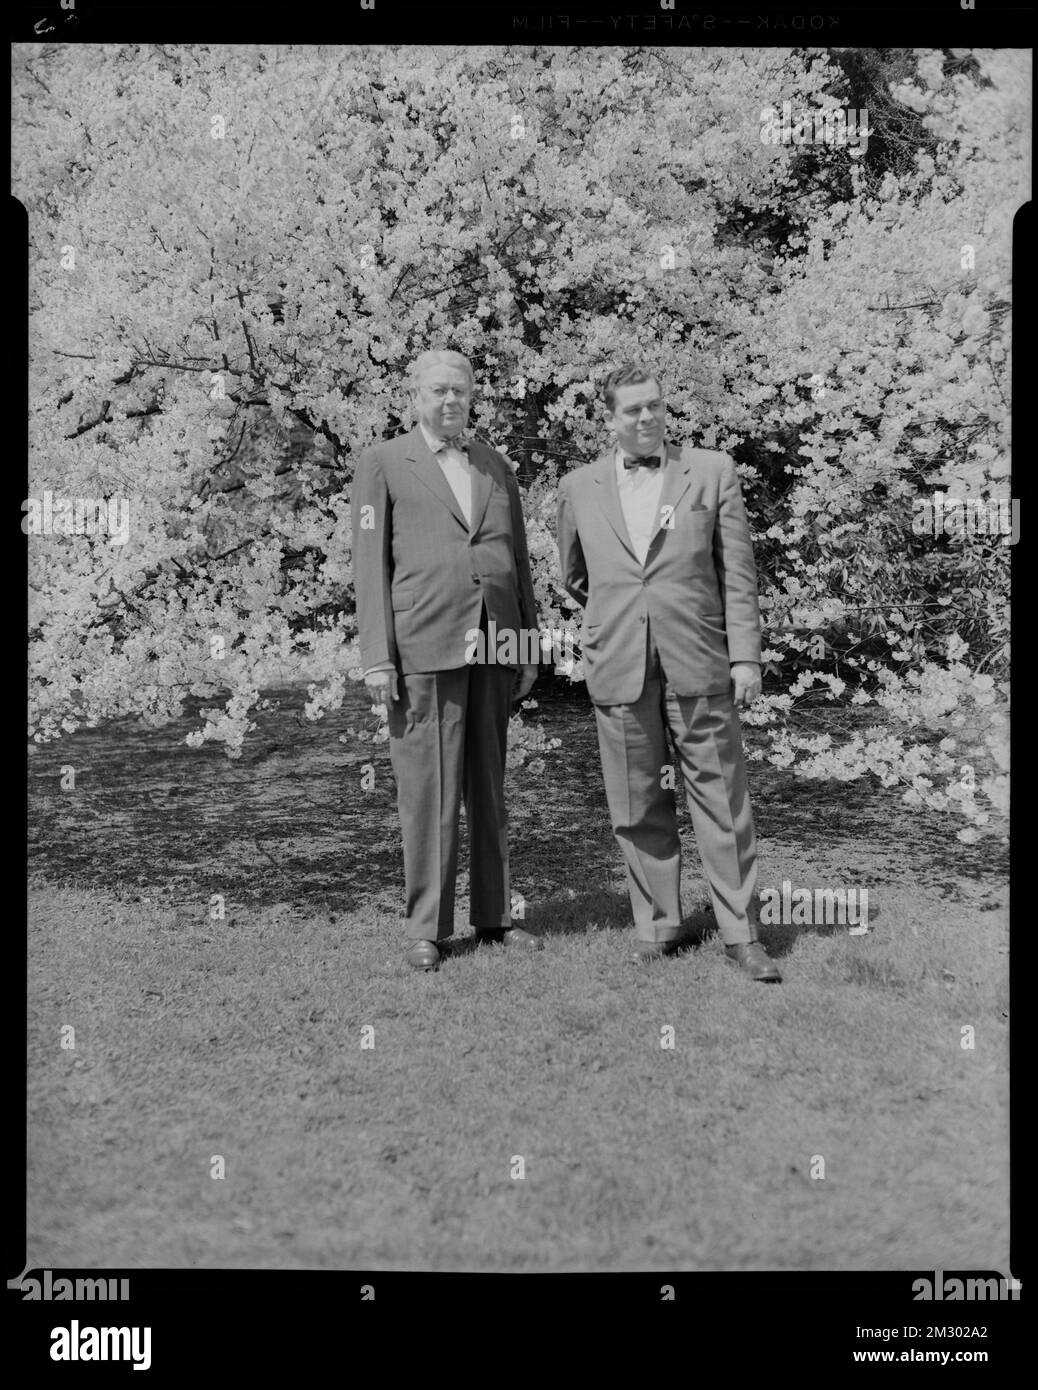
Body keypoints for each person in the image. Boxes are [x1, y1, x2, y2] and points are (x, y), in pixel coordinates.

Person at [556, 364, 781, 980]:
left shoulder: (710, 473)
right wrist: (624, 616)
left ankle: (741, 932)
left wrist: (744, 656)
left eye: (654, 405)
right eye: (633, 410)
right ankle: (659, 924)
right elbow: (576, 576)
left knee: (722, 799)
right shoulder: (579, 487)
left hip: (701, 659)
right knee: (636, 800)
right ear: (609, 420)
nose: (648, 417)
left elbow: (737, 573)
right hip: (619, 663)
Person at [351, 349, 542, 971]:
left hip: (495, 643)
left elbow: (517, 560)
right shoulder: (381, 464)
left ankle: (494, 917)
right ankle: (427, 929)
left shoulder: (494, 464)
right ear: (414, 396)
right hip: (421, 648)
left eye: (460, 391)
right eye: (438, 391)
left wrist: (527, 643)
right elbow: (368, 564)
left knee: (489, 786)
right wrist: (377, 658)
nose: (451, 401)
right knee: (428, 790)